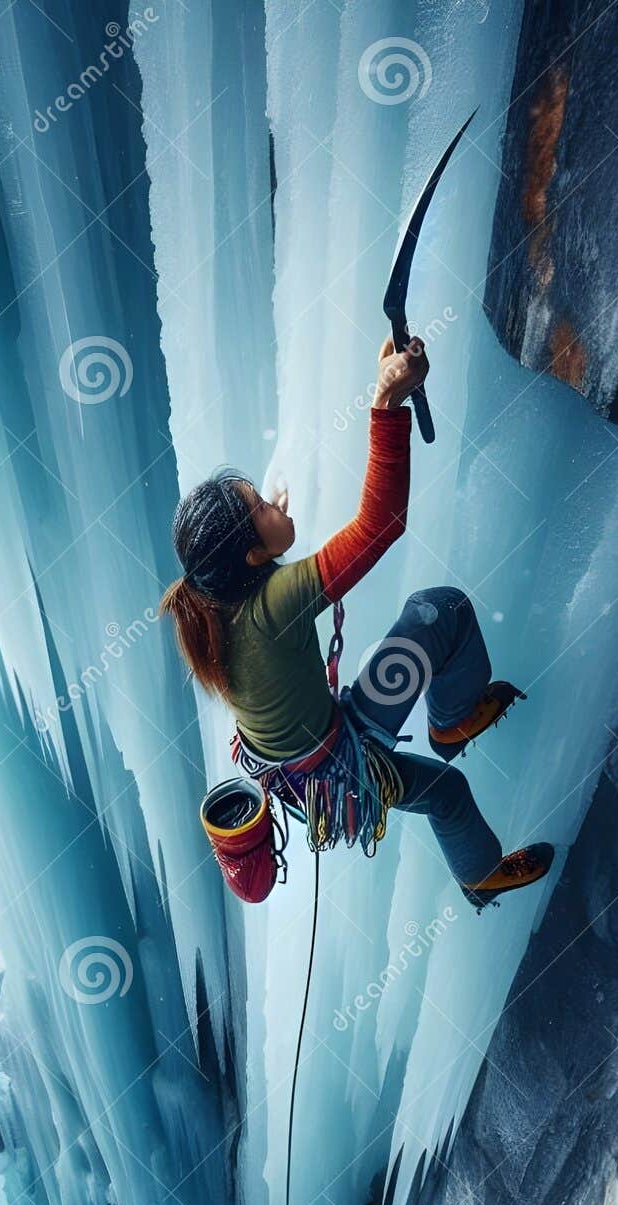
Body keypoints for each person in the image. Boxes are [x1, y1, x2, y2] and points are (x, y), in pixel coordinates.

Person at [161, 335, 553, 908]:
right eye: (262, 509)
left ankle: (451, 723)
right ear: (248, 558)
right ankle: (481, 874)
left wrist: (265, 534)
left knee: (432, 616)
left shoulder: (210, 601)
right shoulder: (272, 604)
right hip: (345, 772)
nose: (275, 506)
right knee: (448, 787)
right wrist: (387, 402)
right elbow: (381, 524)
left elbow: (260, 590)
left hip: (305, 759)